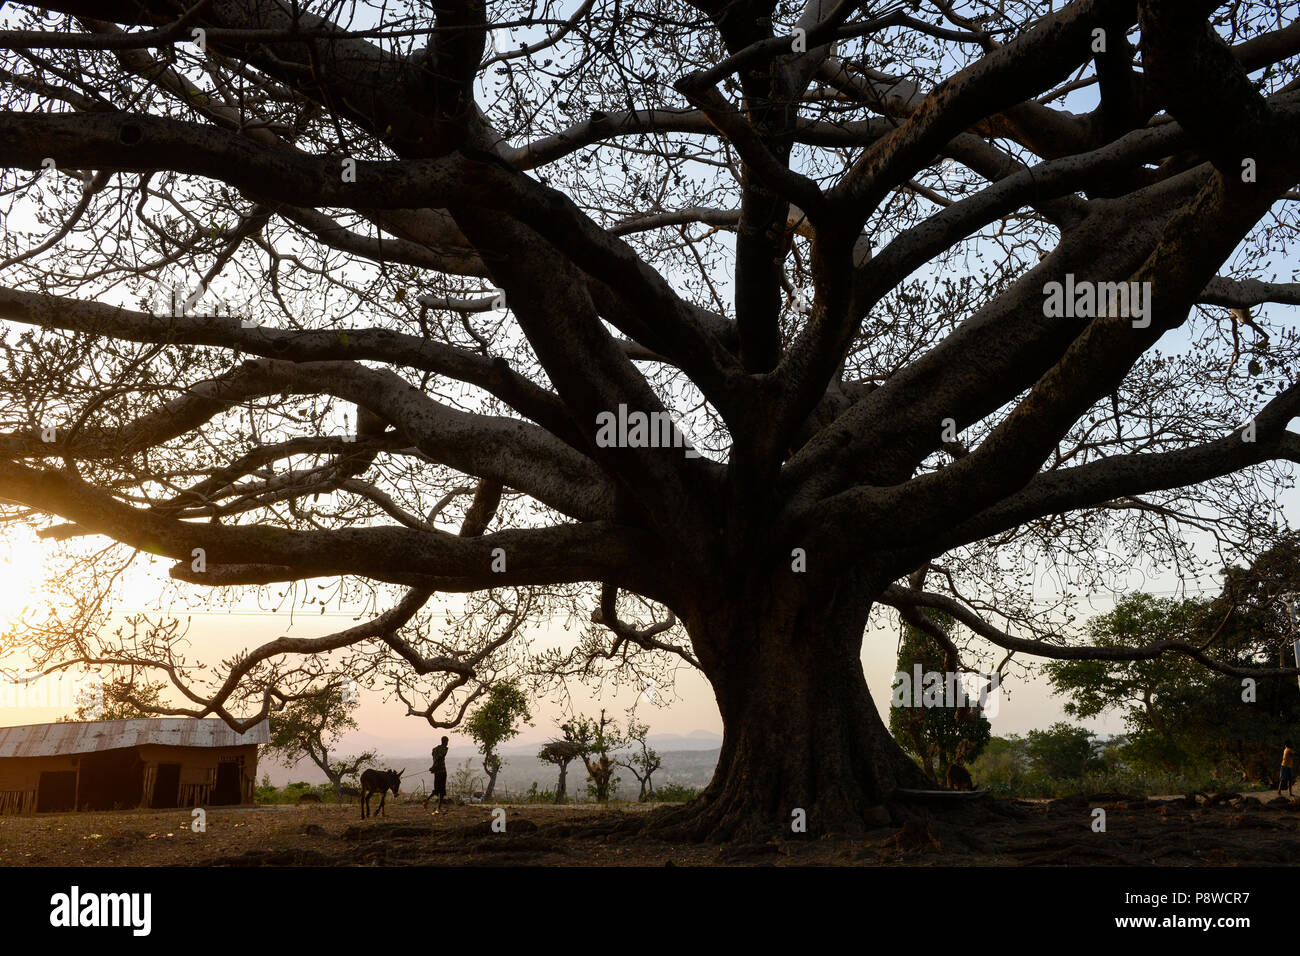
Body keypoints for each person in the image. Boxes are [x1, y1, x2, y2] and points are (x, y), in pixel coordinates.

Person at [425, 736, 449, 813]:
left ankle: (426, 801)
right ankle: (439, 807)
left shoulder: (434, 749)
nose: (447, 743)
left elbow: (435, 758)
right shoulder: (445, 749)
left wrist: (433, 767)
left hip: (436, 772)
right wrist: (433, 766)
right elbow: (439, 758)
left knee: (436, 789)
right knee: (441, 790)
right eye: (447, 742)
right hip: (442, 771)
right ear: (445, 742)